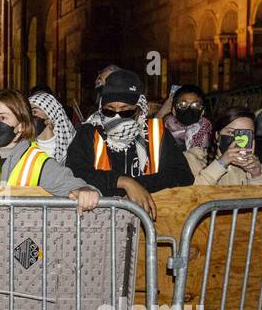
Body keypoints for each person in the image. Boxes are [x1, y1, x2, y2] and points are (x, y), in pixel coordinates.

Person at [66, 68, 193, 218]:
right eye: (109, 111)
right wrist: (123, 182)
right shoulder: (89, 132)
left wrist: (138, 187)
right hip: (101, 222)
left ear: (139, 110)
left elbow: (182, 175)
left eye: (125, 111)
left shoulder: (156, 132)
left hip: (149, 226)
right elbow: (75, 172)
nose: (117, 117)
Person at [186, 106, 262, 185]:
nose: (238, 140)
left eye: (245, 134)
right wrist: (221, 163)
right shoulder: (194, 159)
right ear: (217, 136)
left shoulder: (258, 169)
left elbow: (261, 200)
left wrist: (256, 177)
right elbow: (191, 195)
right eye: (231, 132)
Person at [162, 84, 214, 157]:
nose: (189, 109)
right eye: (183, 104)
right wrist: (161, 113)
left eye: (195, 105)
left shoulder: (207, 133)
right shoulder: (161, 130)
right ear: (173, 110)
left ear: (202, 112)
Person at [29, 90, 74, 162]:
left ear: (50, 117)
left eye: (34, 112)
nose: (29, 117)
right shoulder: (25, 147)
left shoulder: (71, 148)